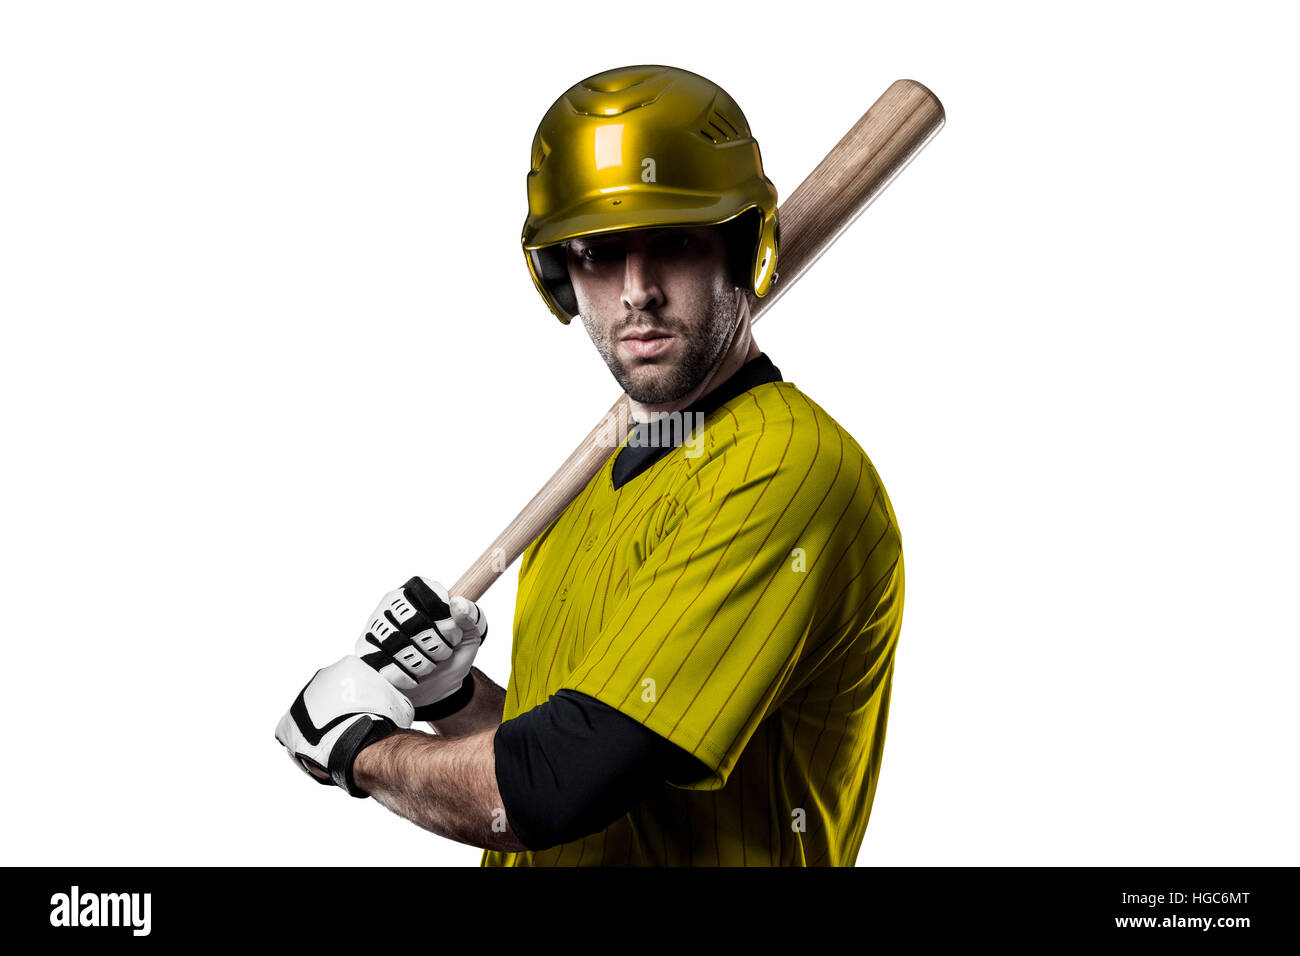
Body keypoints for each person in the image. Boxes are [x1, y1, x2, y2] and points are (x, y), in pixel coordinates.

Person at [275, 64, 905, 867]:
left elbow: (553, 786)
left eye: (673, 241)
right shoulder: (587, 490)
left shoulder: (785, 471)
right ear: (561, 276)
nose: (636, 291)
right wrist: (452, 699)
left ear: (745, 246)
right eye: (600, 253)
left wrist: (358, 750)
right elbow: (564, 750)